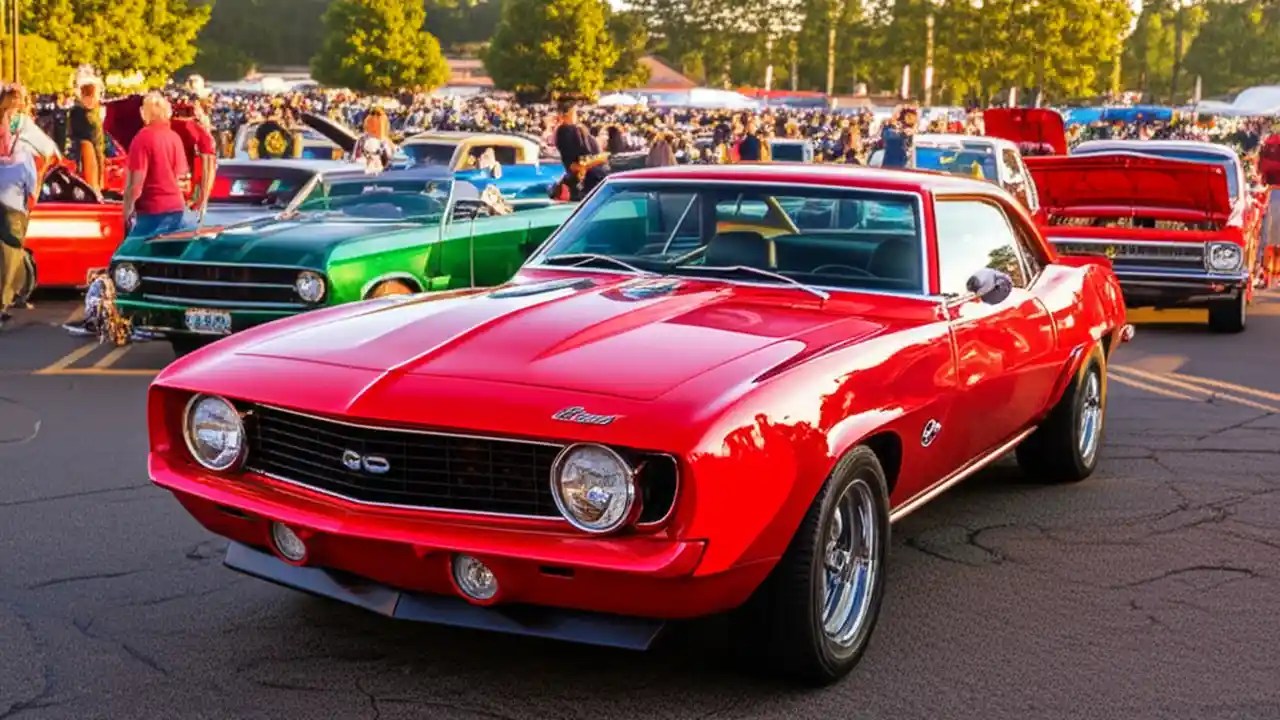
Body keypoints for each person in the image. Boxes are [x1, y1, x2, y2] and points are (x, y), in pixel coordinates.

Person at [123, 93, 192, 240]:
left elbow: (136, 184)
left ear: (145, 112)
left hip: (151, 210)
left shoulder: (142, 138)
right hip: (175, 207)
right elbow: (181, 176)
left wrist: (127, 210)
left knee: (133, 253)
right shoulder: (174, 137)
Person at [0, 90, 38, 329]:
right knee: (10, 257)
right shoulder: (22, 139)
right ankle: (3, 303)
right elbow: (31, 184)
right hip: (12, 204)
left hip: (10, 198)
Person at [552, 101, 608, 201]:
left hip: (587, 179)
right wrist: (598, 160)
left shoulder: (576, 129)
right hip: (586, 181)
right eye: (575, 112)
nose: (577, 115)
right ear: (567, 113)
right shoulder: (567, 130)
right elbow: (575, 163)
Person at [67, 81, 106, 192]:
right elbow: (84, 141)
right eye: (89, 96)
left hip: (94, 153)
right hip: (86, 154)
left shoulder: (93, 112)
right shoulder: (80, 113)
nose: (92, 100)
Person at [351, 106, 396, 174]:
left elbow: (354, 158)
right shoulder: (383, 141)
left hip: (364, 172)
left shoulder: (362, 139)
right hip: (374, 172)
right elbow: (390, 158)